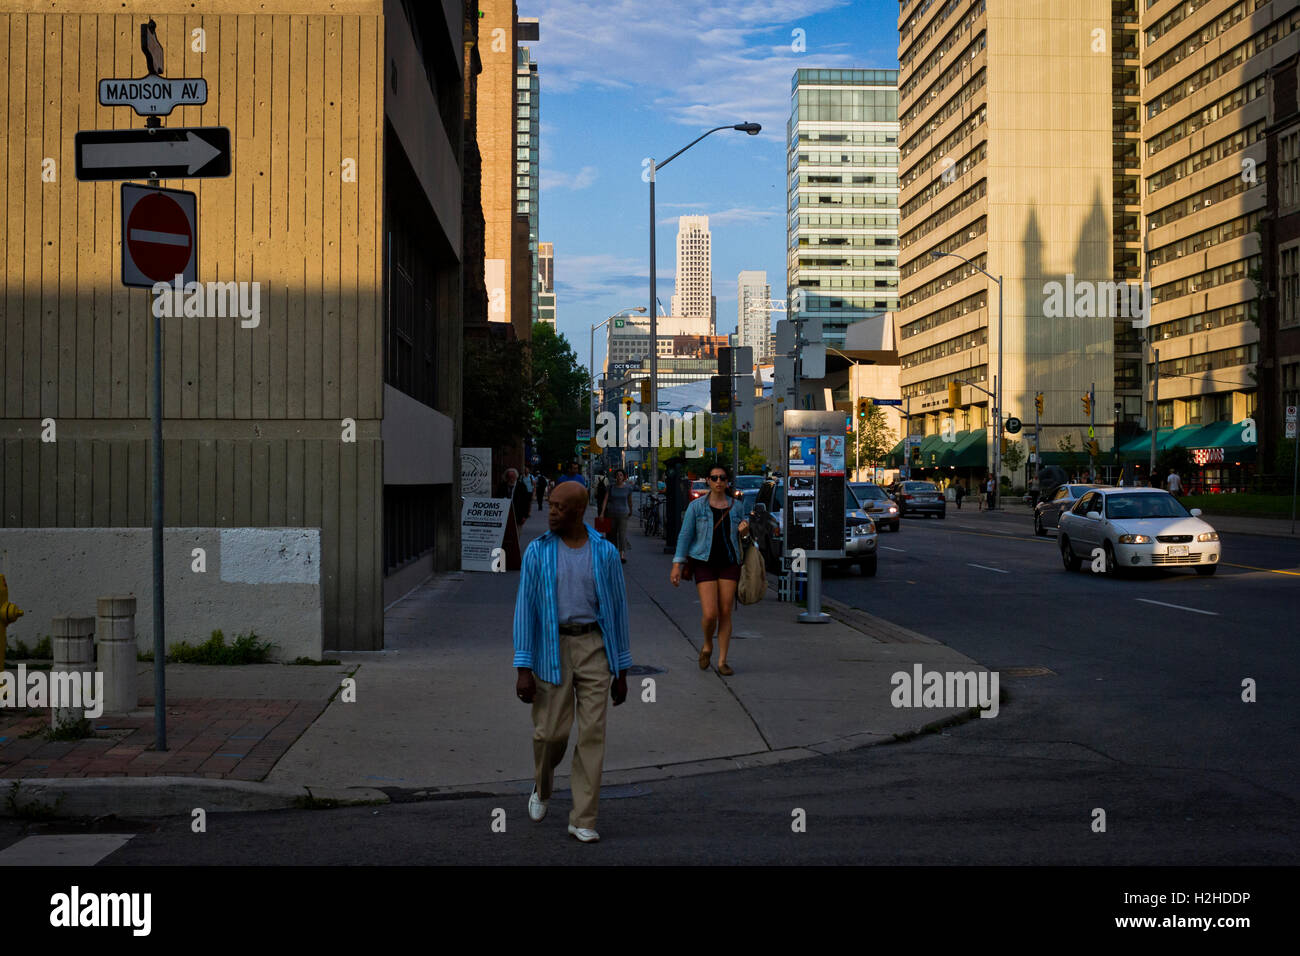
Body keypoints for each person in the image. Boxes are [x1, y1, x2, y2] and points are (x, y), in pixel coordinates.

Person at [513, 480, 631, 844]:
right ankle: (543, 786)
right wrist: (523, 668)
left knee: (592, 734)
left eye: (558, 507)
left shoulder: (605, 553)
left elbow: (617, 609)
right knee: (550, 735)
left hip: (594, 646)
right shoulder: (537, 552)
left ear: (578, 512)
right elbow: (525, 609)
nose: (550, 512)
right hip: (552, 648)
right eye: (549, 505)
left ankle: (583, 818)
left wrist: (622, 669)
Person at [670, 462, 749, 677]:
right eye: (714, 478)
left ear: (728, 481)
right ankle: (707, 644)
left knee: (725, 612)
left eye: (722, 478)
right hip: (703, 562)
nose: (718, 482)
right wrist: (677, 565)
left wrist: (745, 531)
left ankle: (723, 660)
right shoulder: (697, 507)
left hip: (730, 562)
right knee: (710, 613)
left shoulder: (737, 506)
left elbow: (745, 538)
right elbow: (685, 536)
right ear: (708, 480)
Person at [600, 469, 633, 563]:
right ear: (615, 477)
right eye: (618, 475)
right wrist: (602, 513)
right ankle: (613, 554)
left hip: (623, 514)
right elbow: (605, 500)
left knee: (622, 534)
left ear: (624, 477)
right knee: (612, 534)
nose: (619, 477)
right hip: (611, 513)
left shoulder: (628, 488)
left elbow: (630, 501)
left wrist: (630, 511)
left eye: (621, 475)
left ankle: (622, 554)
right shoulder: (611, 487)